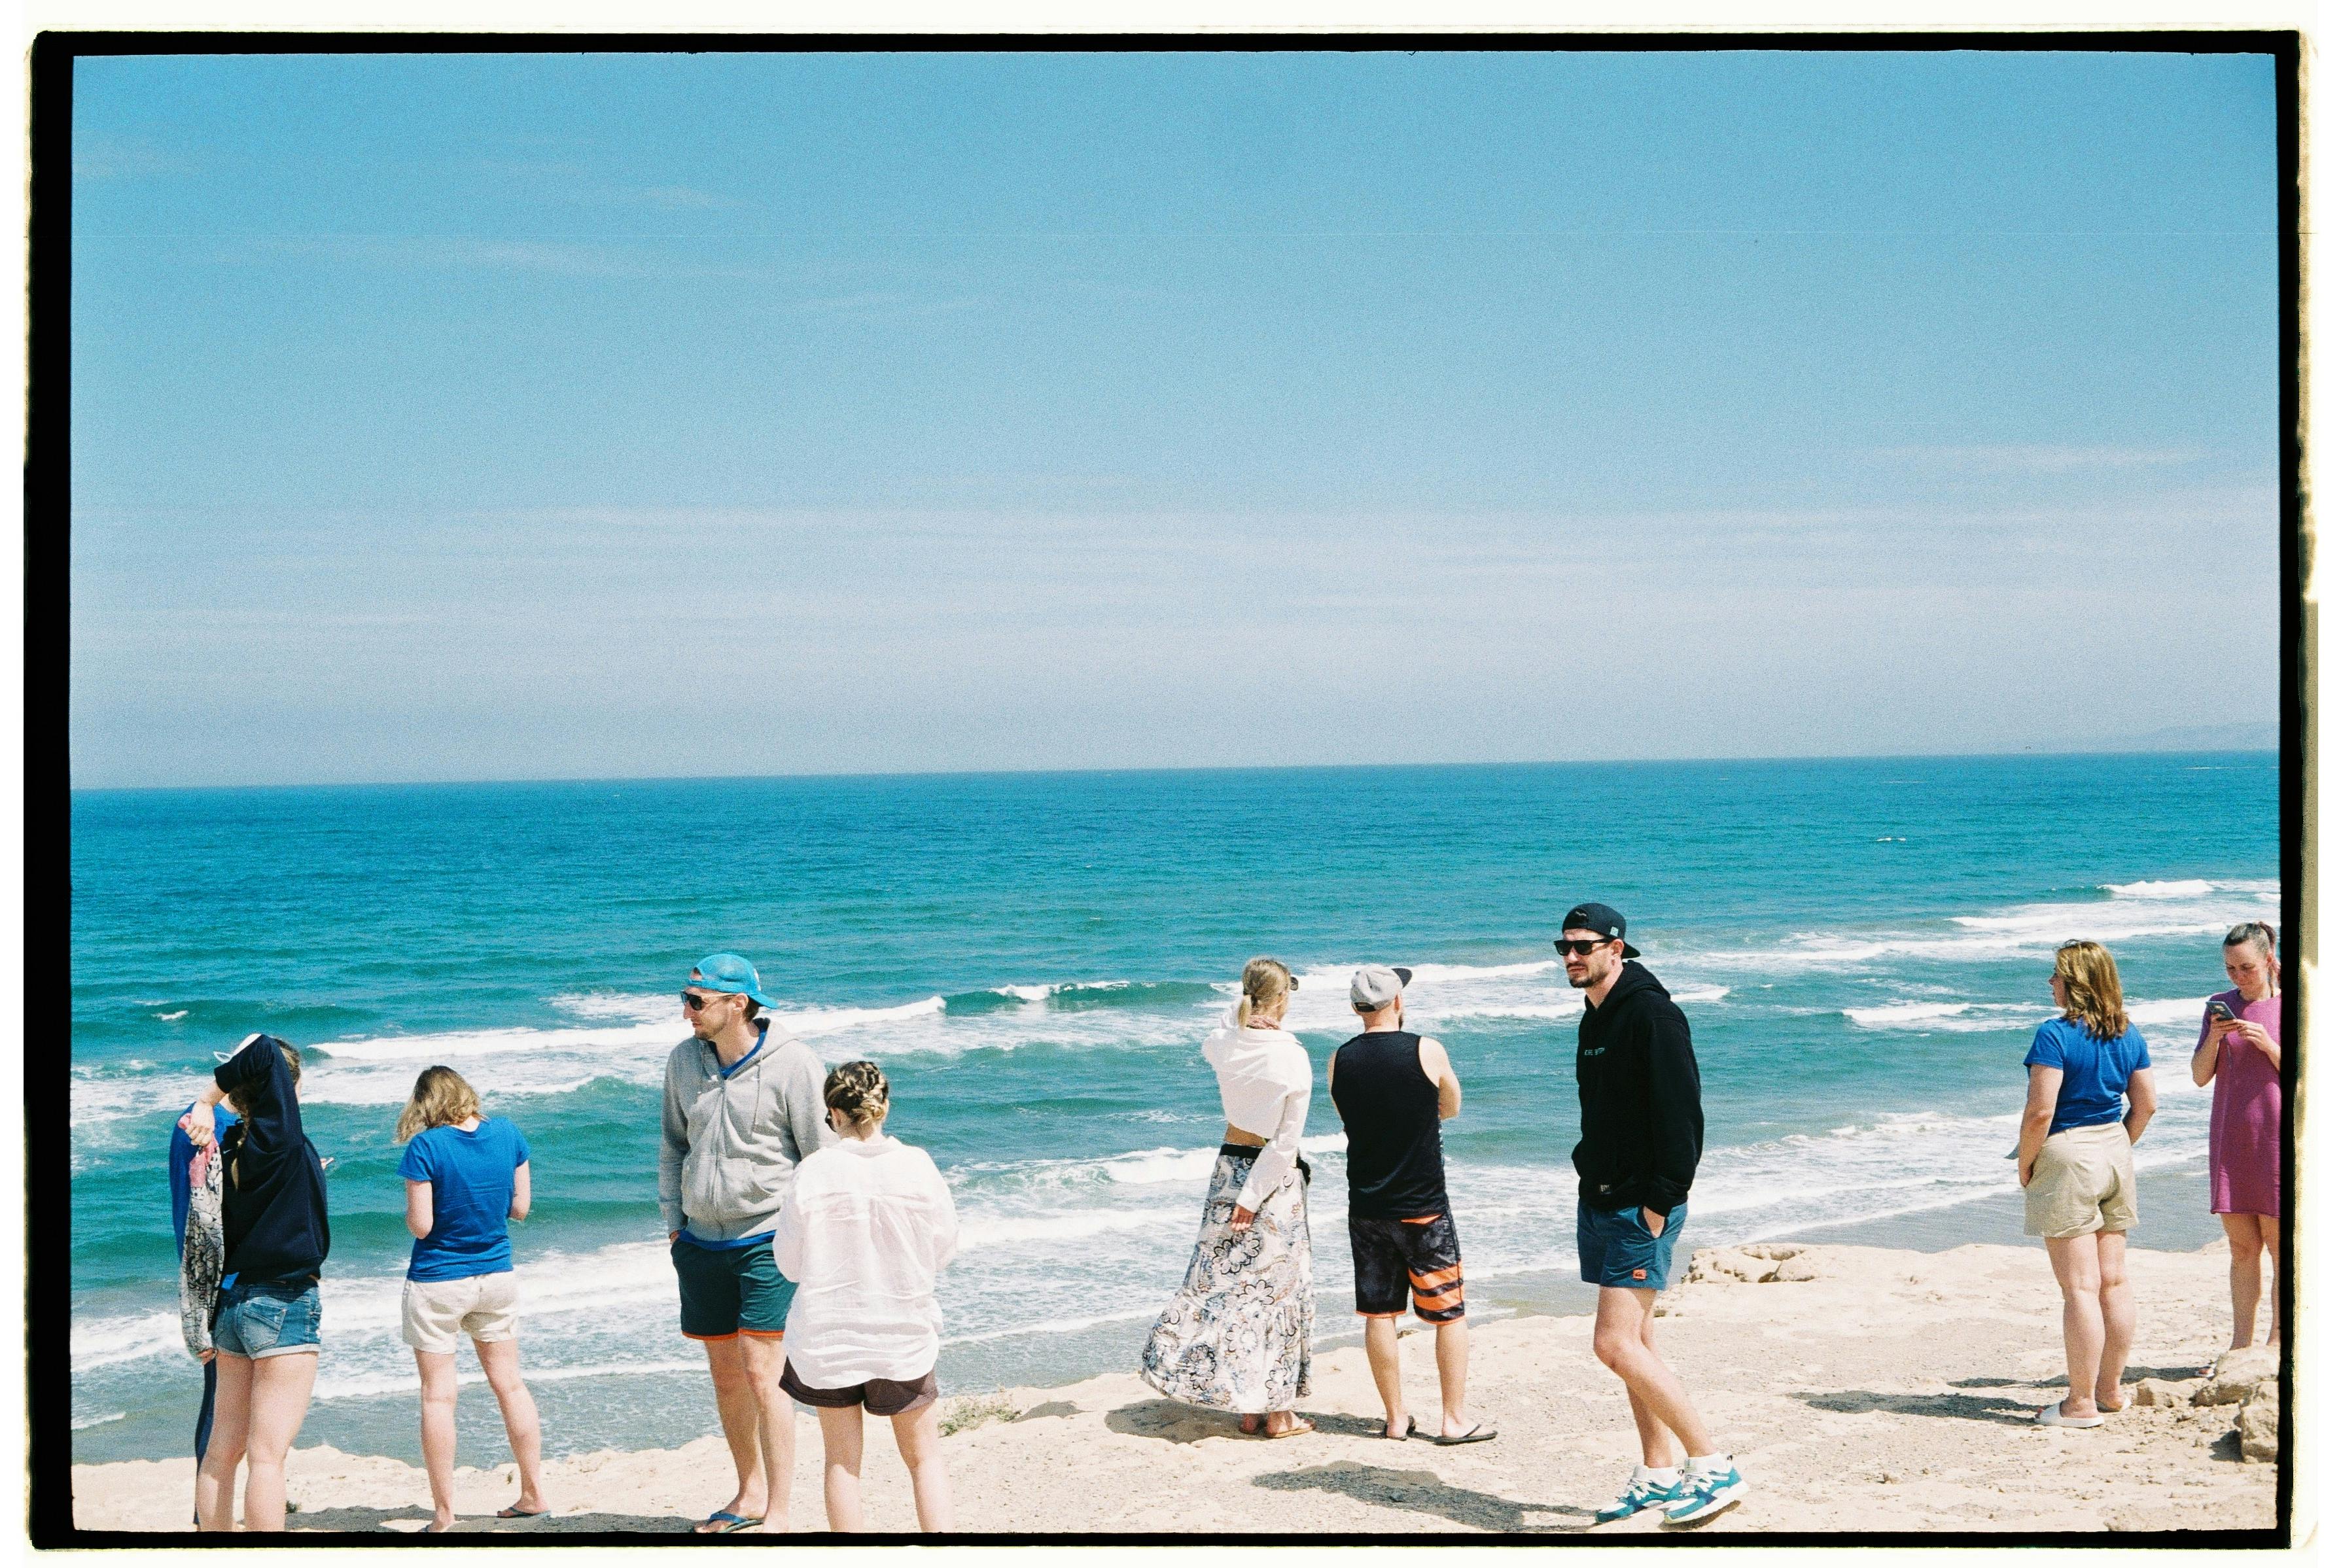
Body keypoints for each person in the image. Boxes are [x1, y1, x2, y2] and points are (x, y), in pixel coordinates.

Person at [1560, 904, 1746, 1526]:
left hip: (1643, 1202)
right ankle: (1659, 1472)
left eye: (1584, 946)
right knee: (1636, 1342)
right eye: (1564, 946)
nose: (1571, 957)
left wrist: (1662, 1199)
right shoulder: (1595, 1016)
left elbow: (1683, 1116)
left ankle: (1713, 1463)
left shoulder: (1652, 1014)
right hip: (1603, 1195)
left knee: (1612, 1344)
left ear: (1618, 948)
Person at [660, 952, 834, 1534]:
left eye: (696, 1001)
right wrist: (673, 1223)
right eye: (686, 998)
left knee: (765, 1372)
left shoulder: (796, 1064)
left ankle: (780, 1509)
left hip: (768, 1236)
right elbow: (672, 1145)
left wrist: (815, 1239)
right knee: (726, 1374)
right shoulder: (683, 1062)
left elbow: (821, 1157)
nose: (686, 1012)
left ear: (738, 1004)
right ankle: (749, 1491)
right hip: (699, 1240)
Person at [772, 1061, 959, 1533]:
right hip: (902, 1334)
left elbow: (789, 1264)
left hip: (829, 1339)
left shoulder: (813, 1172)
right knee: (924, 1460)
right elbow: (943, 1250)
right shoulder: (917, 1165)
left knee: (842, 1463)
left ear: (833, 1113)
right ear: (885, 1104)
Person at [1139, 957, 1316, 1437]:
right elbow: (1284, 1142)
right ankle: (1279, 1413)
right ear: (1282, 999)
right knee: (1277, 1291)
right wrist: (1255, 1197)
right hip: (1271, 1182)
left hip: (1228, 1168)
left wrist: (1248, 1006)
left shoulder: (1225, 1043)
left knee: (1229, 1288)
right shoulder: (1292, 1055)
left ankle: (1249, 1405)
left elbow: (1219, 1027)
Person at [1328, 964, 1489, 1444]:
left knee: (1379, 1314)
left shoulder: (1340, 1058)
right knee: (1449, 1312)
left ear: (1357, 1008)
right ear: (1397, 1002)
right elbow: (1452, 1105)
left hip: (1367, 1206)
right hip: (1423, 1206)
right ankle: (1453, 1418)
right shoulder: (1426, 1048)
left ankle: (1396, 1418)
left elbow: (1345, 1114)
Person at [179, 1033, 329, 1532]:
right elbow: (264, 1047)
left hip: (234, 1305)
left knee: (222, 1450)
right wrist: (206, 1099)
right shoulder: (275, 1137)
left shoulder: (228, 1147)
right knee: (267, 1458)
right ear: (283, 1088)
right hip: (283, 1301)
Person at [394, 1065, 548, 1531]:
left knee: (439, 1397)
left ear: (425, 1104)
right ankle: (534, 1492)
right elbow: (519, 1209)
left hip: (439, 1279)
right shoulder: (508, 1133)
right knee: (511, 1385)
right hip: (497, 1274)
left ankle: (444, 1514)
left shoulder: (426, 1146)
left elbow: (422, 1225)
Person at [2015, 938, 2157, 1429]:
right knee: (2112, 1279)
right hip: (2114, 1148)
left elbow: (2040, 1111)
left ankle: (2080, 1403)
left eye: (2056, 974)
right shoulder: (2128, 1033)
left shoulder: (2054, 1035)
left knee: (2079, 1286)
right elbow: (2147, 1105)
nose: (2050, 982)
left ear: (2074, 982)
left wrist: (2026, 1165)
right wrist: (2119, 1146)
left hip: (2069, 1151)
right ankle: (2110, 1389)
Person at [2191, 920, 2281, 1360]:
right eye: (2230, 969)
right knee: (2242, 1247)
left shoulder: (2293, 1007)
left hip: (2278, 1140)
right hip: (2231, 1140)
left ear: (2268, 959)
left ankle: (2279, 1340)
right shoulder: (2218, 1006)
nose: (2238, 977)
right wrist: (2214, 1037)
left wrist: (2269, 1045)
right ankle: (2241, 1342)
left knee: (2283, 1247)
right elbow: (2199, 1076)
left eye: (2246, 967)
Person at [169, 1090, 239, 1523]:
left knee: (221, 1402)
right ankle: (207, 1518)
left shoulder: (203, 1121)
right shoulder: (207, 1126)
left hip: (210, 1279)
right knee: (222, 1406)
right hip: (223, 1283)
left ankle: (209, 1513)